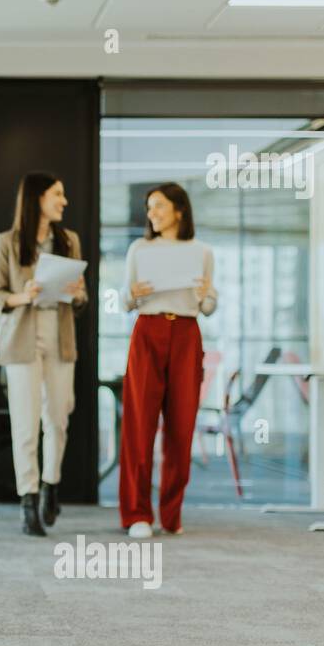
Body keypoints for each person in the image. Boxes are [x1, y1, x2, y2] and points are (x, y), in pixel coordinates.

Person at [0, 172, 86, 537]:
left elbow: (81, 297)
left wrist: (76, 293)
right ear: (37, 198)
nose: (64, 201)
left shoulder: (68, 240)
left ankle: (51, 485)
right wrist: (22, 296)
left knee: (57, 418)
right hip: (21, 339)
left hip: (59, 337)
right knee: (25, 424)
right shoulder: (7, 243)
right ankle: (28, 499)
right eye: (58, 194)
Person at [119, 181, 217, 539]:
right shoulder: (139, 249)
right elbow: (124, 302)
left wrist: (208, 295)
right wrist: (130, 294)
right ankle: (136, 514)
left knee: (182, 425)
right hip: (148, 331)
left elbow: (206, 307)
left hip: (187, 334)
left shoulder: (202, 250)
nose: (152, 214)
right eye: (149, 207)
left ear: (179, 210)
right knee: (139, 425)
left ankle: (171, 515)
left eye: (159, 206)